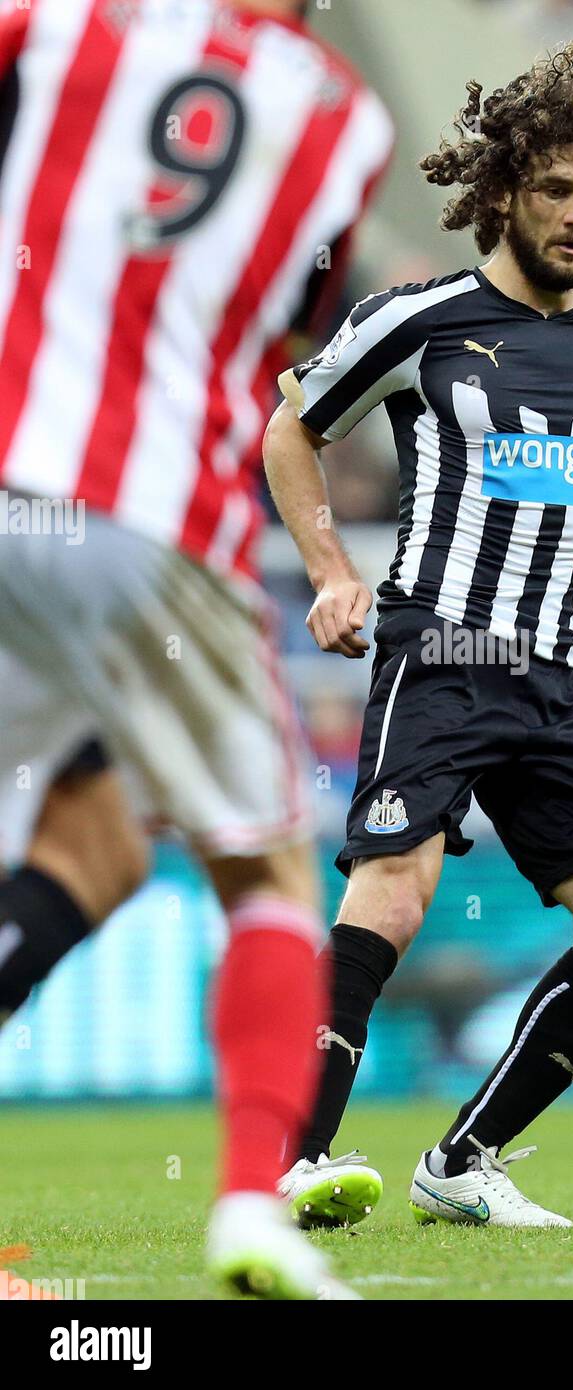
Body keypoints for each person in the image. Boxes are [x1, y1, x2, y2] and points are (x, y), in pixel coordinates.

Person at [0, 0, 391, 1297]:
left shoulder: (56, 29)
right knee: (268, 872)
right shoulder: (348, 124)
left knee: (91, 849)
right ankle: (242, 1207)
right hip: (160, 525)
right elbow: (277, 340)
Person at [266, 30, 573, 1229]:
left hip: (560, 674)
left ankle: (461, 1159)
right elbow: (289, 430)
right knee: (392, 892)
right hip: (441, 652)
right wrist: (329, 570)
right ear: (500, 193)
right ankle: (292, 1160)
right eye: (553, 190)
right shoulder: (419, 321)